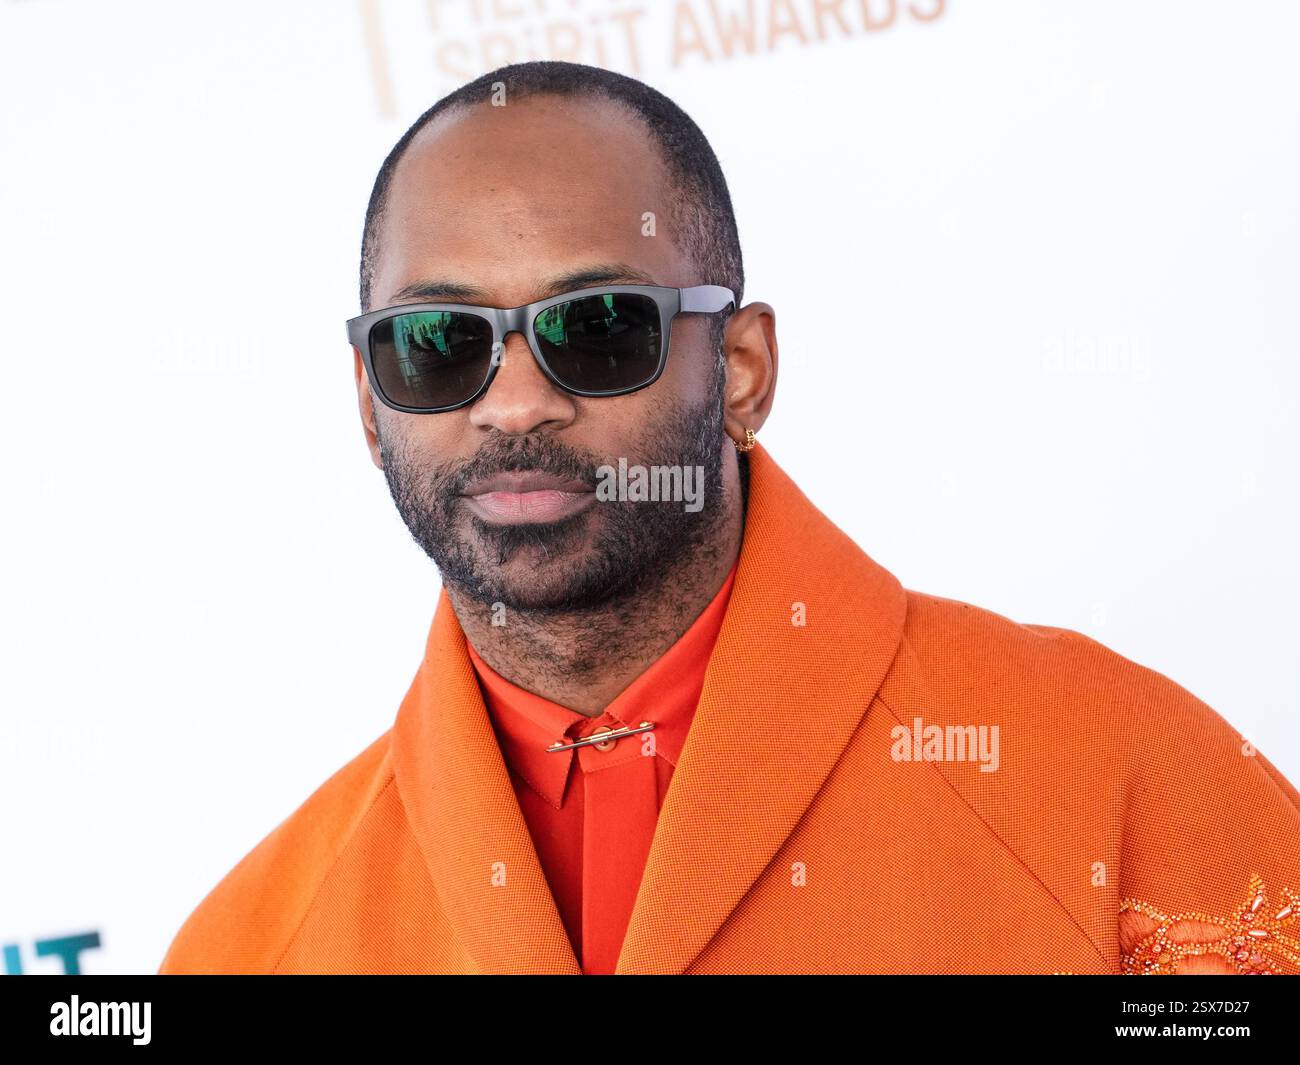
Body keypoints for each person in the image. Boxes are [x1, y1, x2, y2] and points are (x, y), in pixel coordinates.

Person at [159, 60, 1300, 975]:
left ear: (743, 370)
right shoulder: (249, 948)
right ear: (370, 407)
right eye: (436, 344)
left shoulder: (1116, 781)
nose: (513, 403)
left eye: (599, 326)